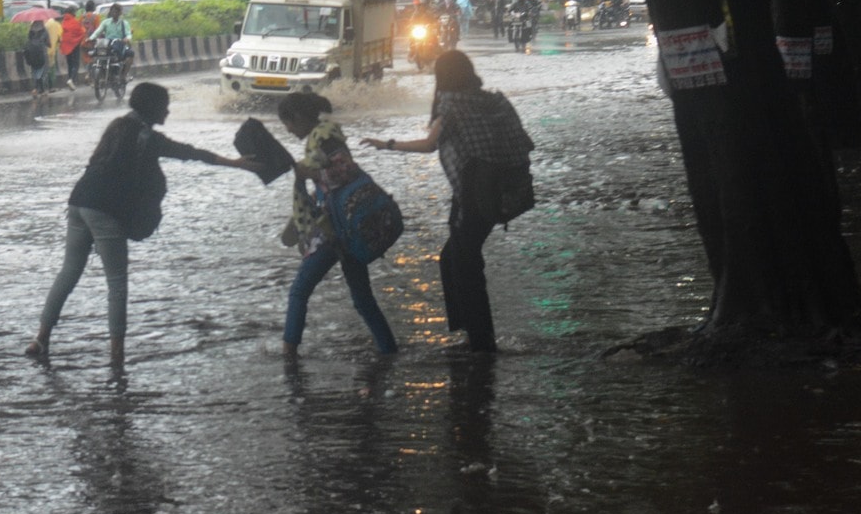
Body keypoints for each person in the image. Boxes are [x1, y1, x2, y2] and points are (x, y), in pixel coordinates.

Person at [27, 82, 259, 370]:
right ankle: (116, 355)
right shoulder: (149, 138)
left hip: (79, 200)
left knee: (69, 272)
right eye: (165, 106)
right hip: (106, 209)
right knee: (117, 283)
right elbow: (189, 152)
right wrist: (236, 163)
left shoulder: (117, 126)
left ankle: (40, 339)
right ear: (153, 108)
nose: (168, 111)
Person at [361, 50, 533, 353]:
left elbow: (429, 145)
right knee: (453, 258)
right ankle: (471, 333)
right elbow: (524, 143)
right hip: (500, 193)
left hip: (473, 195)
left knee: (465, 265)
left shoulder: (451, 106)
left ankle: (480, 342)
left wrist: (387, 145)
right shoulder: (495, 102)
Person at [277, 93, 399, 358]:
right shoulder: (325, 135)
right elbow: (332, 183)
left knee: (299, 290)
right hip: (349, 227)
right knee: (363, 299)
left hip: (338, 229)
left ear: (298, 117)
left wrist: (308, 173)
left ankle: (288, 356)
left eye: (287, 123)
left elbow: (345, 171)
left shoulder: (324, 138)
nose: (288, 129)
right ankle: (389, 352)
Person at [88, 3, 134, 80]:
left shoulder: (124, 23)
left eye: (116, 12)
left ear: (120, 13)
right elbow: (98, 31)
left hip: (119, 44)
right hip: (108, 45)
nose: (114, 13)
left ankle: (124, 75)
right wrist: (91, 38)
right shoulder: (106, 22)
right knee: (95, 53)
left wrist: (127, 39)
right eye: (113, 11)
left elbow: (128, 34)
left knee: (130, 53)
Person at [60, 8, 86, 90]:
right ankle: (71, 80)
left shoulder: (64, 22)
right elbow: (81, 32)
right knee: (76, 64)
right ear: (72, 13)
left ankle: (70, 80)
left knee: (70, 64)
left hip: (66, 45)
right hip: (74, 45)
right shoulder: (74, 22)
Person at [24, 21, 51, 97]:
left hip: (32, 54)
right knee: (43, 73)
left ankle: (36, 89)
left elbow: (29, 40)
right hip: (42, 53)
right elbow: (48, 43)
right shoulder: (44, 31)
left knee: (34, 72)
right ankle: (41, 89)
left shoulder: (30, 31)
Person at [44, 10, 64, 91]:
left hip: (43, 49)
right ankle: (51, 87)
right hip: (52, 50)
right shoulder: (57, 25)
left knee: (43, 68)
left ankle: (43, 87)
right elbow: (60, 39)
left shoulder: (46, 23)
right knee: (51, 68)